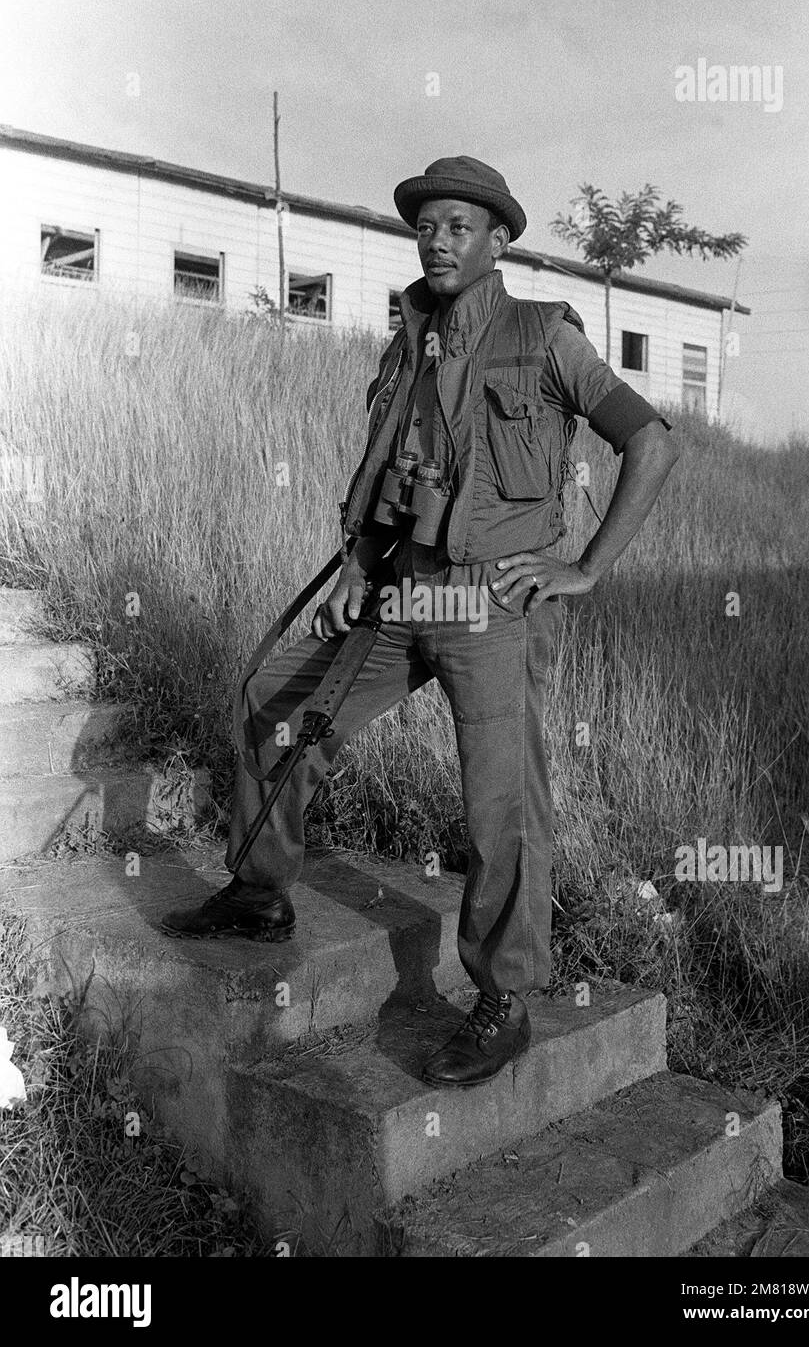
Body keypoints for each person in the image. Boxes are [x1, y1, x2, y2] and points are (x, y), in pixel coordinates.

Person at [161, 156, 677, 1088]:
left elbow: (649, 438)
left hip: (494, 604)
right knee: (273, 697)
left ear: (498, 240)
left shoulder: (543, 337)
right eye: (426, 227)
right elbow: (391, 470)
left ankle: (505, 999)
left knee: (501, 806)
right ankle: (259, 889)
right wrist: (358, 567)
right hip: (402, 592)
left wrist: (587, 568)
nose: (438, 242)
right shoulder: (409, 338)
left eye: (459, 227)